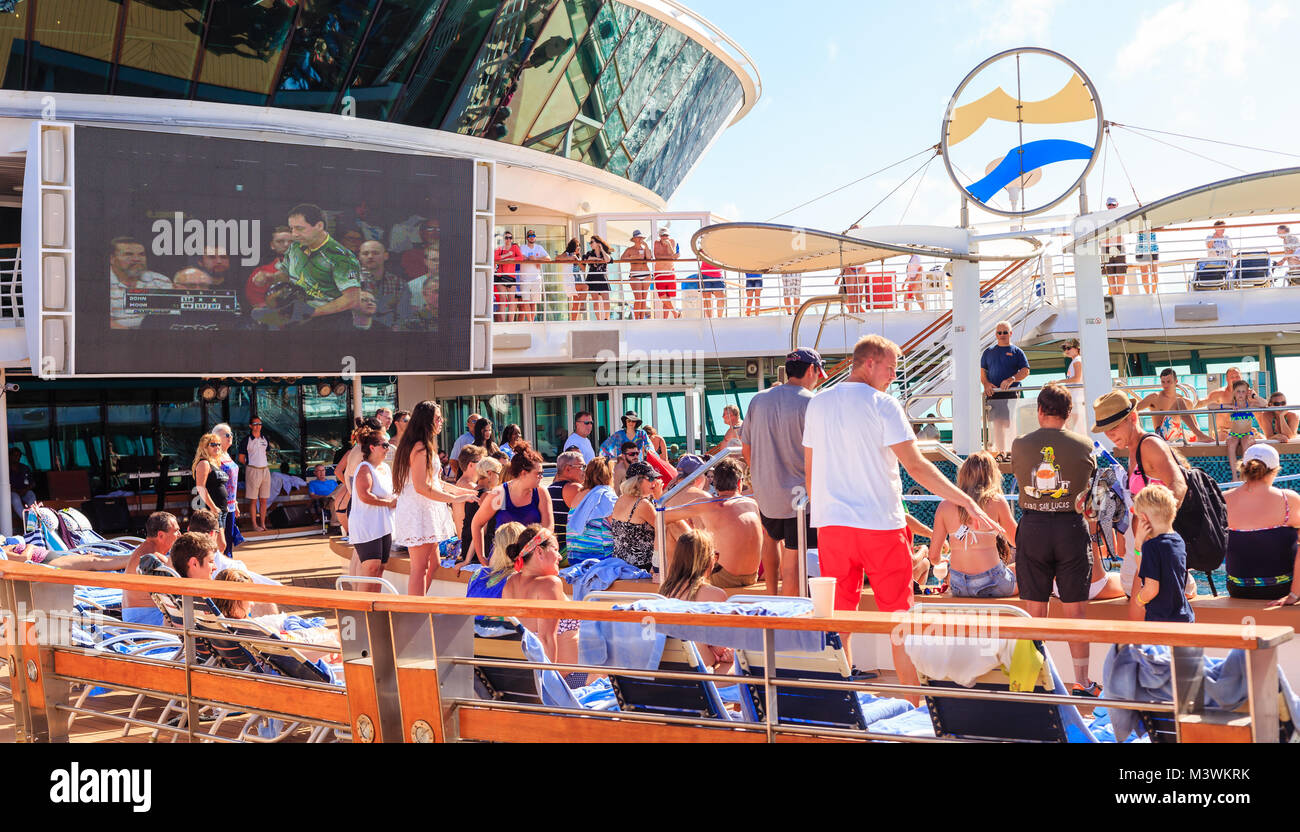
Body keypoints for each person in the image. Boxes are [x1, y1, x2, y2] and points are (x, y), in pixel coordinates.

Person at [803, 334, 997, 690]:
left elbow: (810, 469)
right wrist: (965, 500)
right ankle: (912, 704)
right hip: (879, 526)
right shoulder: (884, 404)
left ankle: (843, 706)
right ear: (870, 363)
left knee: (840, 619)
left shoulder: (818, 403)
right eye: (891, 369)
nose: (893, 377)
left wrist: (824, 512)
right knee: (900, 622)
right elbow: (917, 466)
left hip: (832, 527)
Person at [1011, 382, 1099, 695]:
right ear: (1068, 413)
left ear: (1039, 411)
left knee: (1034, 610)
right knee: (1075, 610)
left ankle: (1036, 681)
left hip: (1033, 526)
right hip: (1070, 529)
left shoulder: (1020, 444)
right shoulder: (1084, 445)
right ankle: (1082, 682)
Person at [742, 348, 823, 595]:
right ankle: (789, 615)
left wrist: (763, 477)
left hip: (767, 494)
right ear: (811, 370)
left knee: (771, 539)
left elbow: (747, 448)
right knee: (795, 556)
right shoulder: (812, 403)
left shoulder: (758, 400)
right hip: (801, 498)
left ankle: (771, 595)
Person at [392, 402, 477, 595]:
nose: (441, 421)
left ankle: (419, 606)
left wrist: (459, 492)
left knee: (434, 563)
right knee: (419, 567)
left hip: (426, 508)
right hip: (419, 510)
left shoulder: (423, 446)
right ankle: (416, 611)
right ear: (426, 421)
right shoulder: (420, 448)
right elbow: (422, 487)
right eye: (438, 418)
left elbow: (434, 482)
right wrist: (455, 498)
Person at [662, 457, 763, 588]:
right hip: (751, 576)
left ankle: (671, 584)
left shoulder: (709, 505)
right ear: (739, 483)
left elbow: (662, 517)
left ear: (714, 484)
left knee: (673, 525)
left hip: (723, 578)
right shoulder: (752, 503)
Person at [929, 451, 1017, 598]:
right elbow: (1017, 540)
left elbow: (933, 556)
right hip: (993, 582)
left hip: (958, 585)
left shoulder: (944, 506)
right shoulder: (996, 501)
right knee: (1021, 569)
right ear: (993, 475)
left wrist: (941, 561)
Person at [1225, 444, 1300, 601]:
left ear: (1244, 468)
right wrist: (1294, 593)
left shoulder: (1223, 499)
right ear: (1275, 470)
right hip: (1281, 588)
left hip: (1238, 589)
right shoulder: (1288, 500)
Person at [501, 525, 578, 666]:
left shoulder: (511, 583)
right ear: (539, 552)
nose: (560, 556)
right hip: (567, 678)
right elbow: (546, 638)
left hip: (524, 676)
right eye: (555, 550)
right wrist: (549, 684)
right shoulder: (549, 584)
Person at [659, 529, 734, 672]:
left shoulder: (664, 593)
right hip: (700, 676)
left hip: (667, 672)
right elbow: (721, 648)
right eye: (715, 556)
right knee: (739, 665)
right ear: (707, 559)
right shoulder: (715, 595)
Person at [276, 203, 363, 325]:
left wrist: (311, 312)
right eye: (292, 229)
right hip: (298, 320)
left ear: (319, 226)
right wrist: (270, 277)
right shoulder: (295, 247)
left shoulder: (342, 258)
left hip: (333, 325)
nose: (294, 234)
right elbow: (285, 275)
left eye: (299, 228)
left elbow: (352, 299)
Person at [471, 444, 554, 565]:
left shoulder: (541, 492)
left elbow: (548, 528)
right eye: (538, 473)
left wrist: (528, 549)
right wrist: (482, 557)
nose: (542, 477)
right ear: (523, 473)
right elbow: (476, 523)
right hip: (502, 561)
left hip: (531, 560)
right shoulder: (499, 494)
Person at [1131, 483, 1195, 622]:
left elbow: (1151, 589)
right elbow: (1144, 569)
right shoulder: (1178, 540)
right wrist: (1138, 546)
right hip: (1184, 617)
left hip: (1161, 620)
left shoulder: (1152, 547)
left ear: (1144, 519)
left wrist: (1139, 600)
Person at [349, 428, 396, 591]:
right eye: (384, 445)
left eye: (388, 445)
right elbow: (364, 496)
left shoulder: (386, 469)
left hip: (384, 525)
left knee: (380, 569)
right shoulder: (364, 468)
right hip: (367, 525)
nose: (387, 448)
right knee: (370, 567)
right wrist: (389, 503)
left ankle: (375, 609)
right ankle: (363, 610)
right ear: (372, 448)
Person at [121, 511, 182, 626]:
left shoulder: (144, 551)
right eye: (176, 531)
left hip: (134, 618)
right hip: (145, 622)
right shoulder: (151, 559)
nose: (179, 534)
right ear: (161, 535)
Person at [980, 320, 1030, 456]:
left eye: (1005, 332)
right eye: (999, 332)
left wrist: (1011, 379)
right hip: (993, 393)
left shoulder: (1017, 351)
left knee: (1009, 423)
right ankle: (1001, 452)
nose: (1002, 335)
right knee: (996, 423)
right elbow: (982, 372)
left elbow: (1025, 371)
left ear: (1011, 333)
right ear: (996, 334)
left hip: (1010, 393)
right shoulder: (988, 352)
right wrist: (986, 384)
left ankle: (1011, 452)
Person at [109, 236, 173, 330]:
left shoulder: (161, 281)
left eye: (141, 254)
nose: (136, 259)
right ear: (112, 259)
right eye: (128, 254)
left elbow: (171, 316)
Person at [1134, 368, 1212, 444]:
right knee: (1179, 402)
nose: (1165, 385)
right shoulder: (1154, 397)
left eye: (1169, 381)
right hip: (1161, 434)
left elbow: (1195, 423)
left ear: (1176, 381)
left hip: (1177, 432)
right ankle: (1200, 435)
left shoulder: (1186, 401)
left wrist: (1198, 435)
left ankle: (1200, 436)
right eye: (1163, 382)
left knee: (1210, 440)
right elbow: (1134, 409)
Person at [610, 461, 662, 572]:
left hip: (620, 563)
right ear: (637, 480)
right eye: (651, 479)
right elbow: (664, 526)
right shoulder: (643, 504)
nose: (655, 483)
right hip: (641, 566)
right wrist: (659, 498)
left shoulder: (621, 499)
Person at [565, 457, 618, 561]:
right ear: (608, 475)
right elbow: (618, 528)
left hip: (575, 557)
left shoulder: (579, 496)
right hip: (600, 557)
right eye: (612, 472)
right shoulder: (606, 495)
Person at [191, 432, 230, 553]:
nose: (217, 447)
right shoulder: (204, 463)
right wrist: (213, 508)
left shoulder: (214, 463)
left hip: (220, 509)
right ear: (205, 447)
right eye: (213, 444)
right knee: (218, 545)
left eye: (218, 444)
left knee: (220, 545)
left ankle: (213, 569)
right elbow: (201, 487)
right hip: (212, 510)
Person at [357, 240, 405, 327]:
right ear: (359, 257)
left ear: (386, 256)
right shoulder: (349, 280)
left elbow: (403, 313)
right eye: (365, 253)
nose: (370, 256)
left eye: (375, 253)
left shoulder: (398, 283)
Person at [1221, 380, 1261, 478]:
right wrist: (1228, 406)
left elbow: (1265, 403)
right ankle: (1235, 476)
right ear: (1234, 392)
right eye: (1238, 391)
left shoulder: (1250, 405)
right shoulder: (1232, 406)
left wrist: (1254, 395)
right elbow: (1210, 406)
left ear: (1247, 393)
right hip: (1234, 434)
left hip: (1247, 433)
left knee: (1245, 443)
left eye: (1243, 391)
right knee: (1231, 444)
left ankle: (1244, 476)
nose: (1241, 394)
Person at [212, 423, 240, 557]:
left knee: (229, 541)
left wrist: (235, 502)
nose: (231, 437)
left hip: (231, 505)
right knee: (221, 543)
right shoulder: (214, 457)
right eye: (227, 435)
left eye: (231, 434)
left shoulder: (227, 454)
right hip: (220, 506)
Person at [246, 226, 292, 310]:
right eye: (280, 241)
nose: (286, 245)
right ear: (272, 245)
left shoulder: (311, 268)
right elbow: (258, 307)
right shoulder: (261, 273)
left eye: (291, 241)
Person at [239, 418, 271, 531]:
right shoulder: (246, 440)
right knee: (253, 499)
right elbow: (241, 458)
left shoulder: (265, 438)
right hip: (253, 469)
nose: (258, 426)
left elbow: (265, 452)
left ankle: (262, 524)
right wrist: (251, 465)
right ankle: (254, 524)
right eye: (255, 424)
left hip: (265, 470)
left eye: (260, 424)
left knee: (264, 499)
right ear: (250, 426)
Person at [549, 450, 585, 550]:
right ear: (568, 469)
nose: (584, 470)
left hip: (554, 548)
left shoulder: (550, 488)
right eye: (581, 466)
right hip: (568, 549)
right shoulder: (574, 488)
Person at [516, 230, 550, 322]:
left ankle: (532, 322)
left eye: (533, 235)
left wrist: (536, 259)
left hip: (536, 278)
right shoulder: (523, 247)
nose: (532, 237)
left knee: (534, 302)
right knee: (525, 301)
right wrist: (529, 259)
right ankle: (530, 321)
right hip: (525, 278)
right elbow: (519, 257)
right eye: (530, 235)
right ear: (527, 238)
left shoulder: (539, 248)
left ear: (535, 237)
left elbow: (548, 258)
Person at [620, 230, 654, 320]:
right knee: (638, 298)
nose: (640, 239)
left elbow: (649, 258)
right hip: (635, 275)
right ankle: (636, 318)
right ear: (634, 239)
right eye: (638, 237)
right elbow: (622, 258)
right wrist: (633, 257)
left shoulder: (645, 249)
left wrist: (646, 246)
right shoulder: (629, 249)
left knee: (644, 298)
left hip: (646, 274)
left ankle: (641, 319)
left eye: (641, 237)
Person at [1060, 339, 1087, 435]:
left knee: (1077, 427)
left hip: (1077, 399)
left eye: (1068, 347)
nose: (1066, 350)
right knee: (1075, 426)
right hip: (1075, 398)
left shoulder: (1077, 360)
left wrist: (1058, 382)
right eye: (1064, 348)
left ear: (1077, 348)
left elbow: (1076, 378)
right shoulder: (1075, 361)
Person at [494, 232, 522, 322]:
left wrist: (511, 259)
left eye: (510, 238)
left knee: (511, 300)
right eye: (506, 238)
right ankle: (502, 323)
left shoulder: (515, 247)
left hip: (510, 276)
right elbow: (495, 258)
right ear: (503, 239)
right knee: (502, 300)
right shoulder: (499, 247)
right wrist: (506, 255)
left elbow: (520, 258)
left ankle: (510, 322)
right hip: (500, 276)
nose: (508, 239)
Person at [582, 236, 612, 321]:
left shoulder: (605, 253)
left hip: (602, 278)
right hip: (592, 278)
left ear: (598, 243)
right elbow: (587, 258)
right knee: (596, 301)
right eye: (590, 242)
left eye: (592, 242)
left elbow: (608, 259)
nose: (590, 244)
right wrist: (598, 259)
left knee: (606, 300)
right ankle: (598, 320)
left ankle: (606, 319)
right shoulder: (590, 253)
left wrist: (602, 249)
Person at [653, 228, 680, 319]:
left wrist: (668, 245)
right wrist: (670, 257)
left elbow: (673, 255)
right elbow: (657, 256)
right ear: (660, 236)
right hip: (660, 273)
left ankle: (665, 319)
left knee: (667, 298)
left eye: (666, 235)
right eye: (663, 235)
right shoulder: (656, 243)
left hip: (670, 272)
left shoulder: (672, 242)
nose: (665, 237)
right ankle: (675, 312)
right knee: (662, 297)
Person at [555, 239, 585, 321]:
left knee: (575, 304)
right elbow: (557, 258)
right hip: (570, 281)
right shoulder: (567, 254)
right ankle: (583, 305)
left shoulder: (579, 257)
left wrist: (578, 261)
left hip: (578, 280)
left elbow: (583, 268)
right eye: (577, 246)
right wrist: (571, 258)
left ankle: (573, 322)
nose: (579, 247)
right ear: (573, 247)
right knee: (585, 287)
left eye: (579, 246)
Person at [1102, 196, 1127, 295]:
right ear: (1106, 205)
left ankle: (1120, 295)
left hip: (1119, 246)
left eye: (1113, 204)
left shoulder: (1122, 215)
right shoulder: (1101, 217)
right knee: (1109, 274)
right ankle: (1114, 295)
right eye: (1109, 204)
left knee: (1121, 272)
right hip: (1105, 247)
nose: (1111, 206)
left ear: (1117, 205)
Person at [449, 413, 482, 477]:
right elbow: (453, 461)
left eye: (479, 422)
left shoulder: (486, 439)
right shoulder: (462, 440)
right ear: (468, 424)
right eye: (474, 421)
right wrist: (462, 477)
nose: (477, 424)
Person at [8, 449, 35, 523]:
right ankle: (27, 522)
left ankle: (32, 520)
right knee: (15, 498)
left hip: (24, 491)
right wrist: (14, 490)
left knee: (31, 495)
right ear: (9, 456)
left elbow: (32, 483)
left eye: (19, 456)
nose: (17, 457)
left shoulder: (24, 468)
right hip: (11, 492)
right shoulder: (4, 468)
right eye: (15, 455)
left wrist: (25, 490)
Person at [1135, 225, 1159, 294]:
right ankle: (1148, 294)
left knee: (1155, 274)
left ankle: (1153, 293)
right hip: (1141, 249)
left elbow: (1161, 226)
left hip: (1153, 248)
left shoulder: (1153, 218)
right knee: (1144, 275)